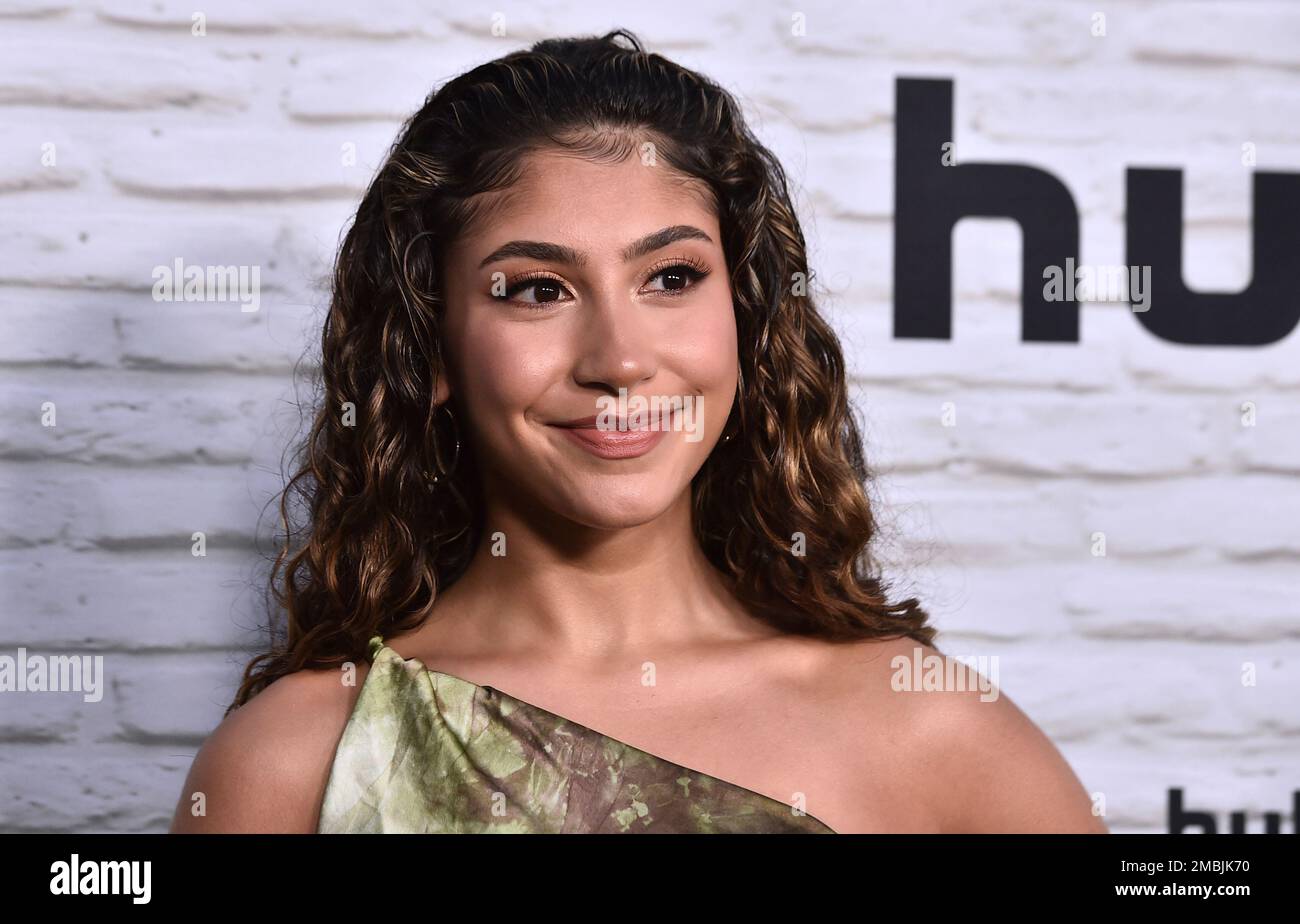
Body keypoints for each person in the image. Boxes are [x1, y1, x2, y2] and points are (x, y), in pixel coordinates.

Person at [170, 29, 1106, 834]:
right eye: (538, 289)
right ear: (435, 350)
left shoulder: (924, 727)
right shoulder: (295, 764)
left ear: (744, 318)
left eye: (671, 278)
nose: (619, 359)